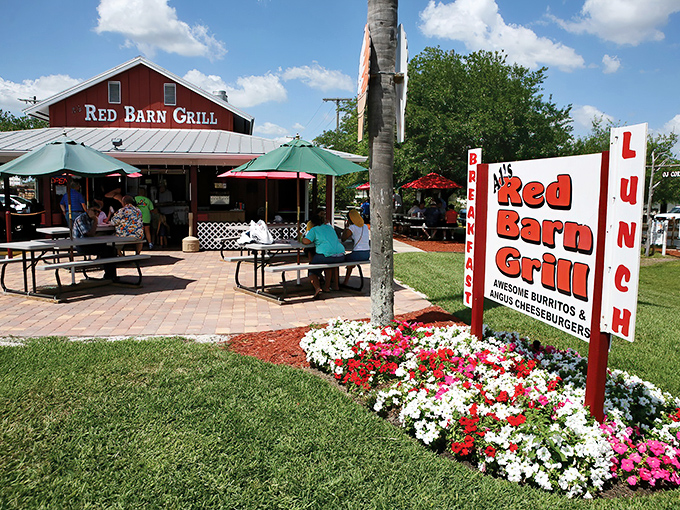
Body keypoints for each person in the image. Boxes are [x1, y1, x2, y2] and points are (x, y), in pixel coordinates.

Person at [301, 212, 345, 299]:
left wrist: (301, 238)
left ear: (312, 223)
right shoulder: (330, 228)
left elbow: (306, 241)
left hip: (326, 255)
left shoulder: (314, 230)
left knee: (312, 270)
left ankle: (317, 288)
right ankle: (327, 287)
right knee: (328, 266)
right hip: (340, 255)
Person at [72, 204, 118, 280]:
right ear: (88, 209)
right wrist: (96, 221)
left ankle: (110, 276)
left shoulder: (91, 219)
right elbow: (89, 234)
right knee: (107, 250)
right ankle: (109, 276)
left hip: (89, 243)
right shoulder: (81, 219)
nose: (96, 213)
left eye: (98, 212)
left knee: (111, 249)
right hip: (81, 245)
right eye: (94, 211)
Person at [341, 209, 370, 286]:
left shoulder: (352, 227)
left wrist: (346, 227)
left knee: (338, 258)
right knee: (350, 263)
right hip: (367, 254)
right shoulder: (365, 226)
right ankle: (345, 281)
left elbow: (343, 239)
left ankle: (337, 282)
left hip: (357, 254)